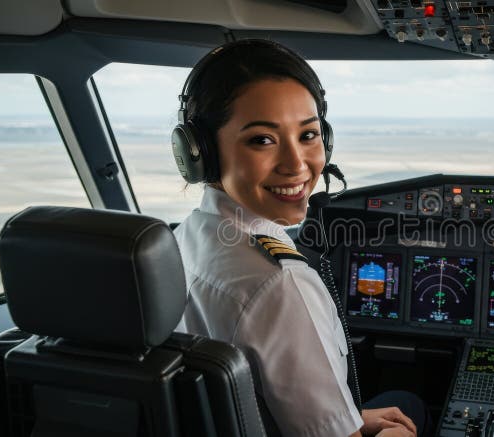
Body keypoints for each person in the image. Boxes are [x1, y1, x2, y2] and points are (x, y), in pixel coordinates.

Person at [170, 39, 429, 437]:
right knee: (410, 411)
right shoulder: (280, 284)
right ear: (202, 152)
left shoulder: (185, 236)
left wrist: (350, 417)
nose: (297, 165)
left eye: (308, 135)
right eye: (262, 139)